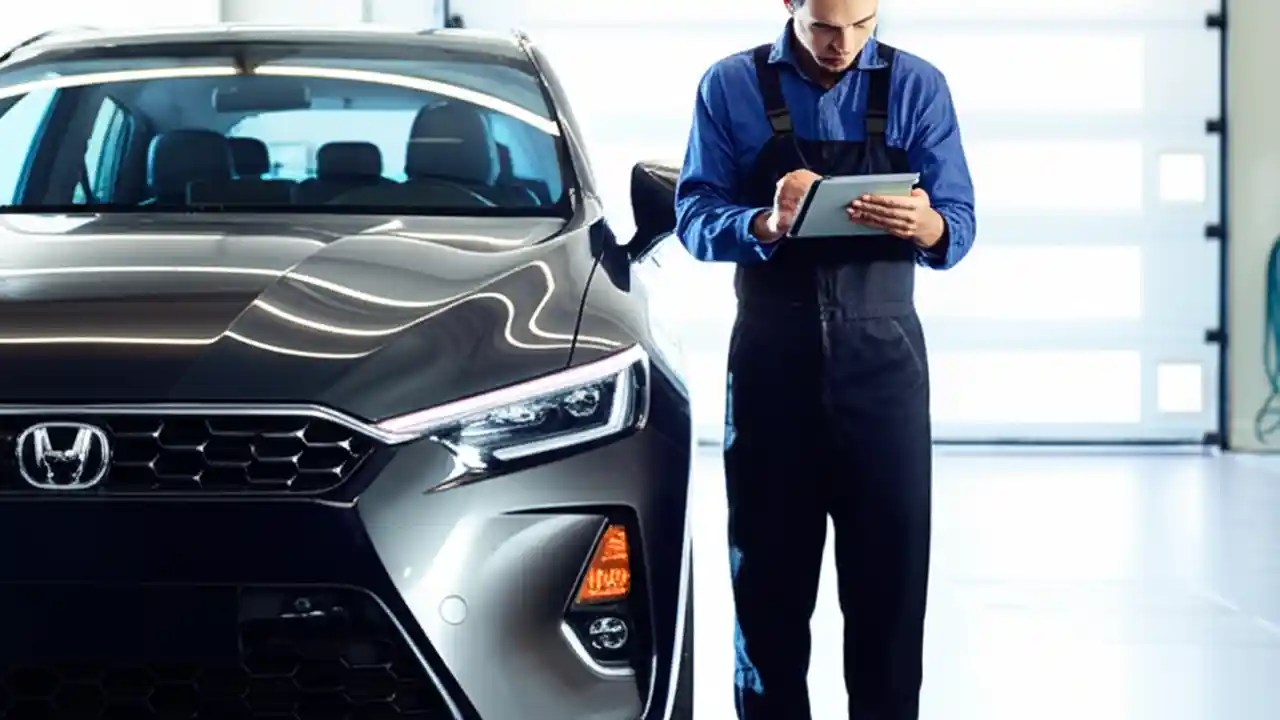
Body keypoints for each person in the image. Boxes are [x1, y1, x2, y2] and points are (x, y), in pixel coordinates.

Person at [673, 1, 976, 718]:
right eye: (825, 28)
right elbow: (694, 214)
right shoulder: (729, 86)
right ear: (790, 6)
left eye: (861, 26)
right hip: (772, 366)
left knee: (889, 594)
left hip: (885, 365)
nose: (844, 45)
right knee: (768, 590)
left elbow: (959, 223)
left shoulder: (918, 87)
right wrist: (765, 222)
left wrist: (928, 225)